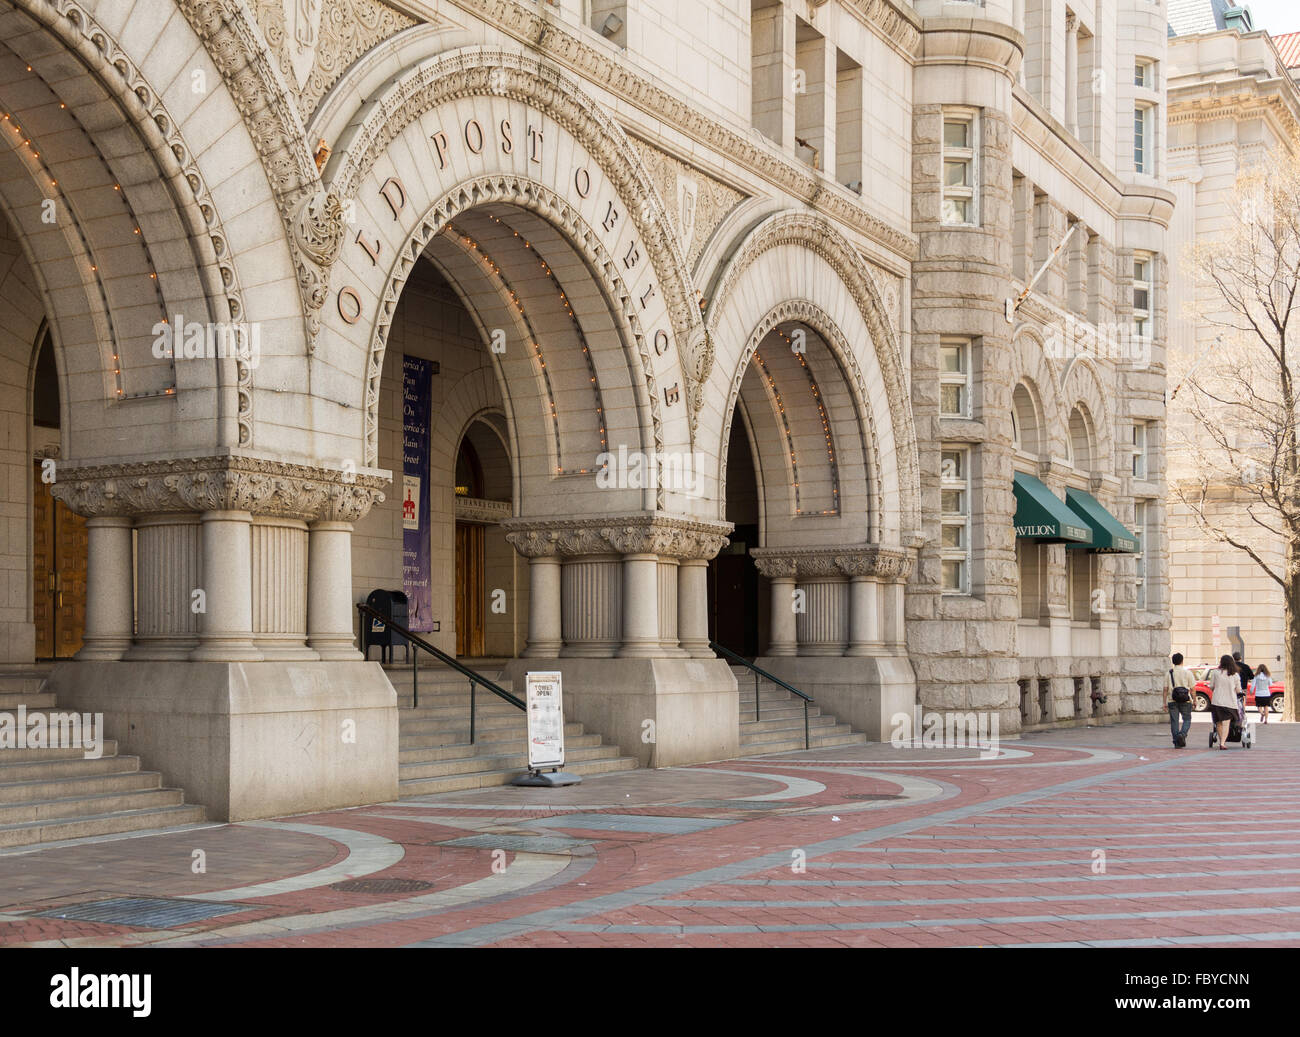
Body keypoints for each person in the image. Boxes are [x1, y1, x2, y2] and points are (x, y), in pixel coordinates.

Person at [1210, 654, 1242, 750]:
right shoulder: (1235, 675)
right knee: (1226, 723)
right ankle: (1222, 743)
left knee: (1218, 723)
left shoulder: (1215, 673)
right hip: (1230, 702)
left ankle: (1221, 742)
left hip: (1217, 701)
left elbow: (1211, 686)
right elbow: (1238, 690)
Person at [1164, 653, 1195, 748]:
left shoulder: (1169, 673)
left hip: (1172, 700)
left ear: (1173, 662)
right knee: (1187, 719)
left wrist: (1164, 702)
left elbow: (1165, 689)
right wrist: (1195, 700)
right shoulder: (1188, 673)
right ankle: (1182, 734)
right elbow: (1193, 689)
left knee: (1174, 721)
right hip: (1185, 700)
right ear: (1182, 661)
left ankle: (1176, 742)